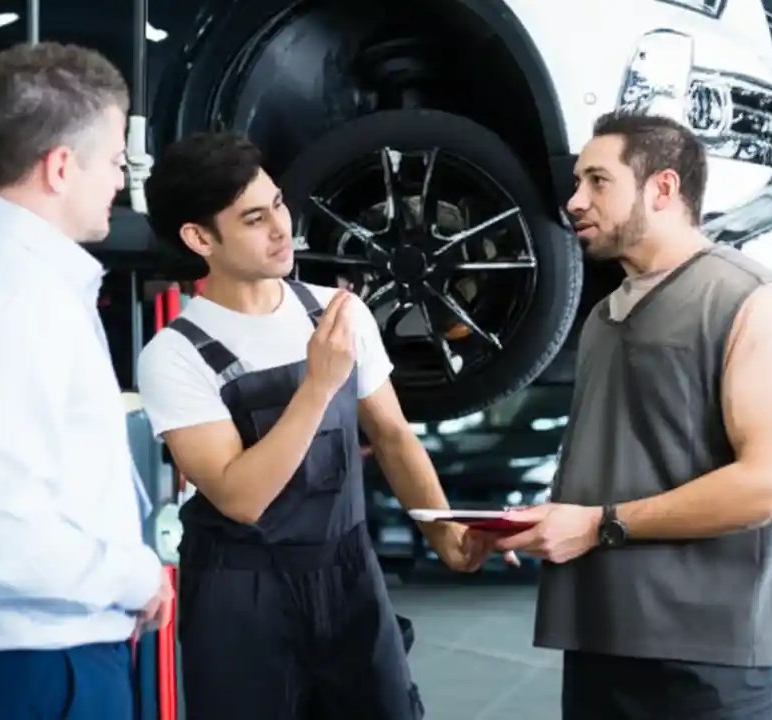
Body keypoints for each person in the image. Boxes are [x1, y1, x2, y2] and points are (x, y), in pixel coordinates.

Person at [136, 131, 511, 719]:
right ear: (199, 237)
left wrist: (447, 533)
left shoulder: (334, 312)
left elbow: (391, 434)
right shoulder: (175, 354)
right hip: (242, 599)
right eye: (255, 218)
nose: (282, 228)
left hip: (349, 577)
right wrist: (318, 385)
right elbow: (240, 497)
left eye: (279, 204)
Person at [495, 111, 772, 719]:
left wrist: (597, 524)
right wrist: (519, 524)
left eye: (597, 181)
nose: (574, 201)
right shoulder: (601, 319)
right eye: (576, 183)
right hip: (600, 644)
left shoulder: (752, 301)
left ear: (662, 189)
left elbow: (768, 488)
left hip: (717, 664)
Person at [0, 42, 171, 719]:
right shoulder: (14, 297)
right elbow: (1, 544)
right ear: (60, 167)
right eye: (113, 161)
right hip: (37, 680)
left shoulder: (2, 276)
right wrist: (137, 576)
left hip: (26, 671)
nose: (119, 180)